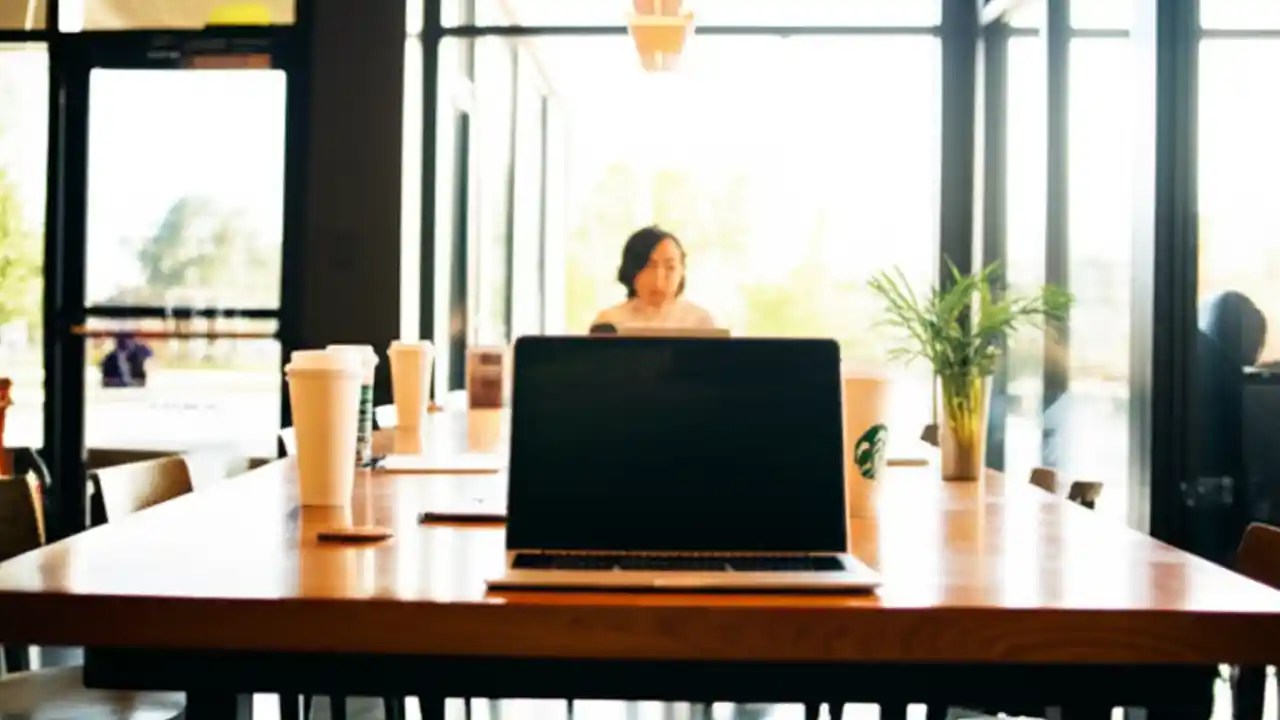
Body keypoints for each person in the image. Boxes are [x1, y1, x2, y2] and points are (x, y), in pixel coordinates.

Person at [591, 226, 716, 331]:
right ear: (632, 270)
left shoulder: (700, 322)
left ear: (682, 271)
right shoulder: (609, 322)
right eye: (650, 267)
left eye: (670, 267)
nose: (659, 280)